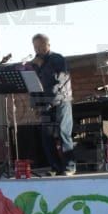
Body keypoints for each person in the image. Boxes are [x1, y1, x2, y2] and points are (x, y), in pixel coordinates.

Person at [28, 33, 75, 176]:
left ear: (48, 45)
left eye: (40, 46)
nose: (37, 49)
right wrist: (35, 104)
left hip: (61, 101)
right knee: (46, 137)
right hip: (44, 104)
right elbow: (33, 85)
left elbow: (57, 80)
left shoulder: (57, 59)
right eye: (35, 47)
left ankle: (69, 166)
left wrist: (42, 66)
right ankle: (55, 167)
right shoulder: (35, 64)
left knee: (63, 133)